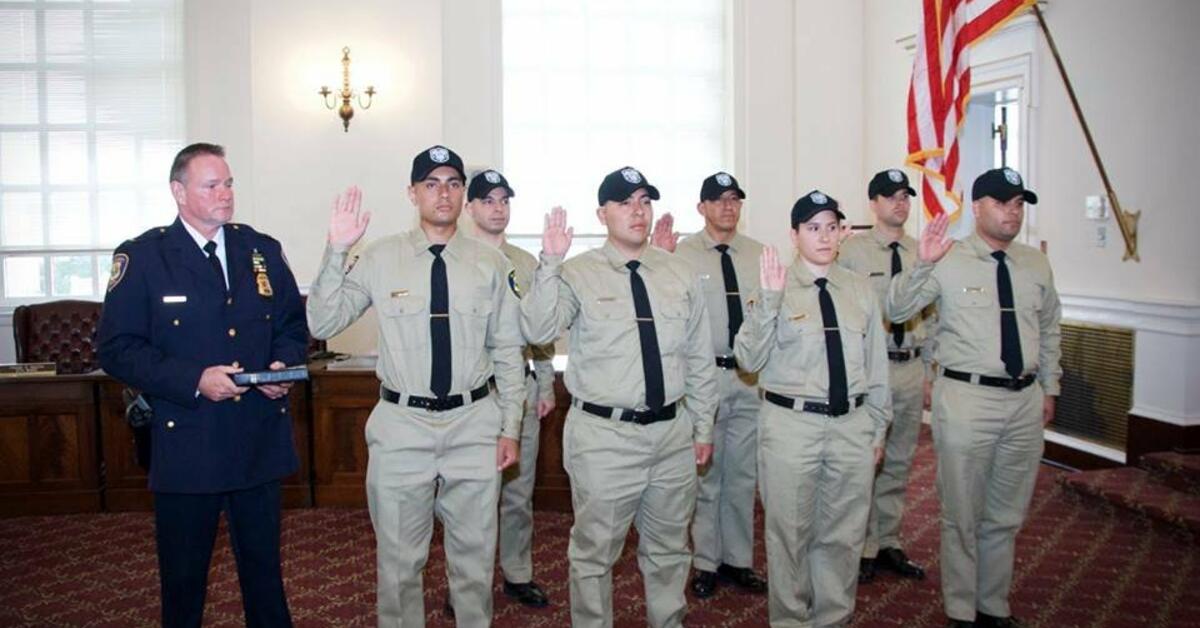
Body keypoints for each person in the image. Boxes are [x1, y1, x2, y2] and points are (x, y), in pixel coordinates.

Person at [306, 145, 525, 627]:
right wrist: (336, 248)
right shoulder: (381, 257)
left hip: (474, 424)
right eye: (431, 184)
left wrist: (510, 428)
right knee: (400, 563)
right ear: (412, 193)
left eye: (452, 183)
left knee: (473, 559)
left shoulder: (489, 263)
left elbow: (509, 352)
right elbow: (324, 317)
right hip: (402, 425)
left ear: (462, 193)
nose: (442, 193)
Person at [97, 142, 307, 628]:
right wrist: (194, 379)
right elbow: (116, 348)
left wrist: (282, 366)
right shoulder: (144, 257)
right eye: (212, 185)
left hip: (257, 439)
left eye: (229, 183)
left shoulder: (261, 249)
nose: (226, 194)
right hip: (187, 442)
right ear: (178, 191)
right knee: (184, 580)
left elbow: (294, 327)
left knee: (264, 576)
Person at [520, 167, 718, 627]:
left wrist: (703, 426)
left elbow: (699, 359)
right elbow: (537, 330)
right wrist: (549, 263)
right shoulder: (576, 273)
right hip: (604, 439)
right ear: (602, 213)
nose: (638, 211)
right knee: (594, 555)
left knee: (670, 550)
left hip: (672, 435)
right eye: (626, 202)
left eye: (645, 201)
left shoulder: (677, 273)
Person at [887, 168, 1061, 628]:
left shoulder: (1034, 263)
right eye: (1003, 203)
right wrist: (922, 262)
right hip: (966, 398)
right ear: (978, 206)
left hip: (1023, 399)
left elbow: (1048, 329)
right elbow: (897, 310)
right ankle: (961, 609)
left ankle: (993, 605)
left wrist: (1050, 386)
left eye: (1020, 204)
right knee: (962, 511)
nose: (1013, 212)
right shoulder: (949, 258)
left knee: (1006, 513)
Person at [734, 190, 891, 628]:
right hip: (791, 427)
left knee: (843, 538)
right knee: (790, 537)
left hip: (851, 428)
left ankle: (833, 619)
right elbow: (748, 359)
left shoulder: (859, 290)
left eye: (831, 226)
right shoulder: (773, 287)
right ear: (794, 235)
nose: (823, 236)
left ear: (843, 232)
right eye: (812, 227)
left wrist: (876, 432)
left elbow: (877, 371)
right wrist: (768, 301)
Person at [667, 172, 767, 598]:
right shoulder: (681, 256)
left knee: (743, 475)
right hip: (703, 378)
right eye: (719, 200)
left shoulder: (760, 255)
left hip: (749, 378)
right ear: (701, 207)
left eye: (734, 200)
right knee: (705, 475)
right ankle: (706, 560)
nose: (728, 207)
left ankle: (738, 560)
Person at [464, 168, 556, 608]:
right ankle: (466, 583)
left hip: (521, 387)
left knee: (518, 493)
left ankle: (517, 572)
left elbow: (540, 328)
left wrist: (547, 383)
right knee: (468, 500)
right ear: (470, 208)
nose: (497, 208)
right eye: (488, 200)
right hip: (474, 392)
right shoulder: (456, 258)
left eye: (503, 200)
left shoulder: (525, 261)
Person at [838, 169, 934, 584]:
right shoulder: (852, 252)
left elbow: (936, 314)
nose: (900, 203)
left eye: (905, 197)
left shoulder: (923, 252)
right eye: (890, 196)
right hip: (869, 373)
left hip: (910, 366)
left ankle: (889, 540)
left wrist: (929, 370)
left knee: (898, 461)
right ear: (873, 204)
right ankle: (861, 546)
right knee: (865, 462)